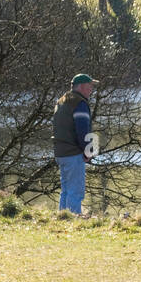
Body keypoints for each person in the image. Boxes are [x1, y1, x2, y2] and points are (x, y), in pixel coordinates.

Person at [52, 73, 97, 214]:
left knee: (65, 190)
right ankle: (74, 221)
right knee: (76, 192)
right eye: (89, 87)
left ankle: (63, 218)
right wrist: (88, 152)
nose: (91, 90)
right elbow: (83, 130)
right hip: (73, 153)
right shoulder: (79, 103)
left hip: (60, 152)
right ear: (82, 86)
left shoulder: (62, 101)